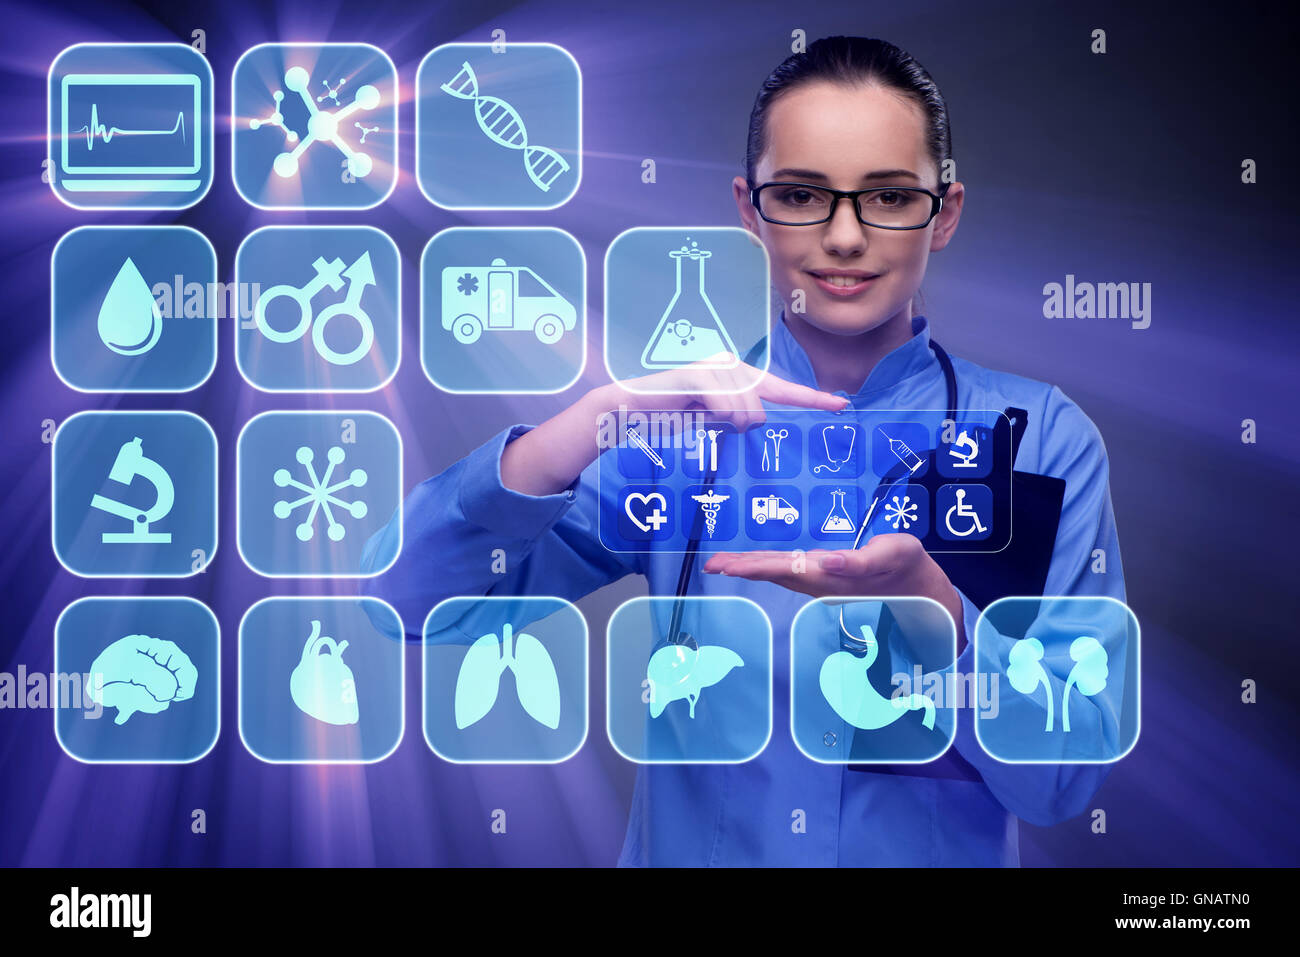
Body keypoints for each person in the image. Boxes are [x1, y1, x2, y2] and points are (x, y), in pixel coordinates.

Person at [364, 36, 1125, 866]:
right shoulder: (670, 436)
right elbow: (402, 598)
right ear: (747, 209)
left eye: (890, 197)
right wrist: (592, 419)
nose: (843, 237)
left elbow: (1062, 776)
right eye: (800, 194)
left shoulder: (1039, 441)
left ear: (943, 214)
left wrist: (934, 613)